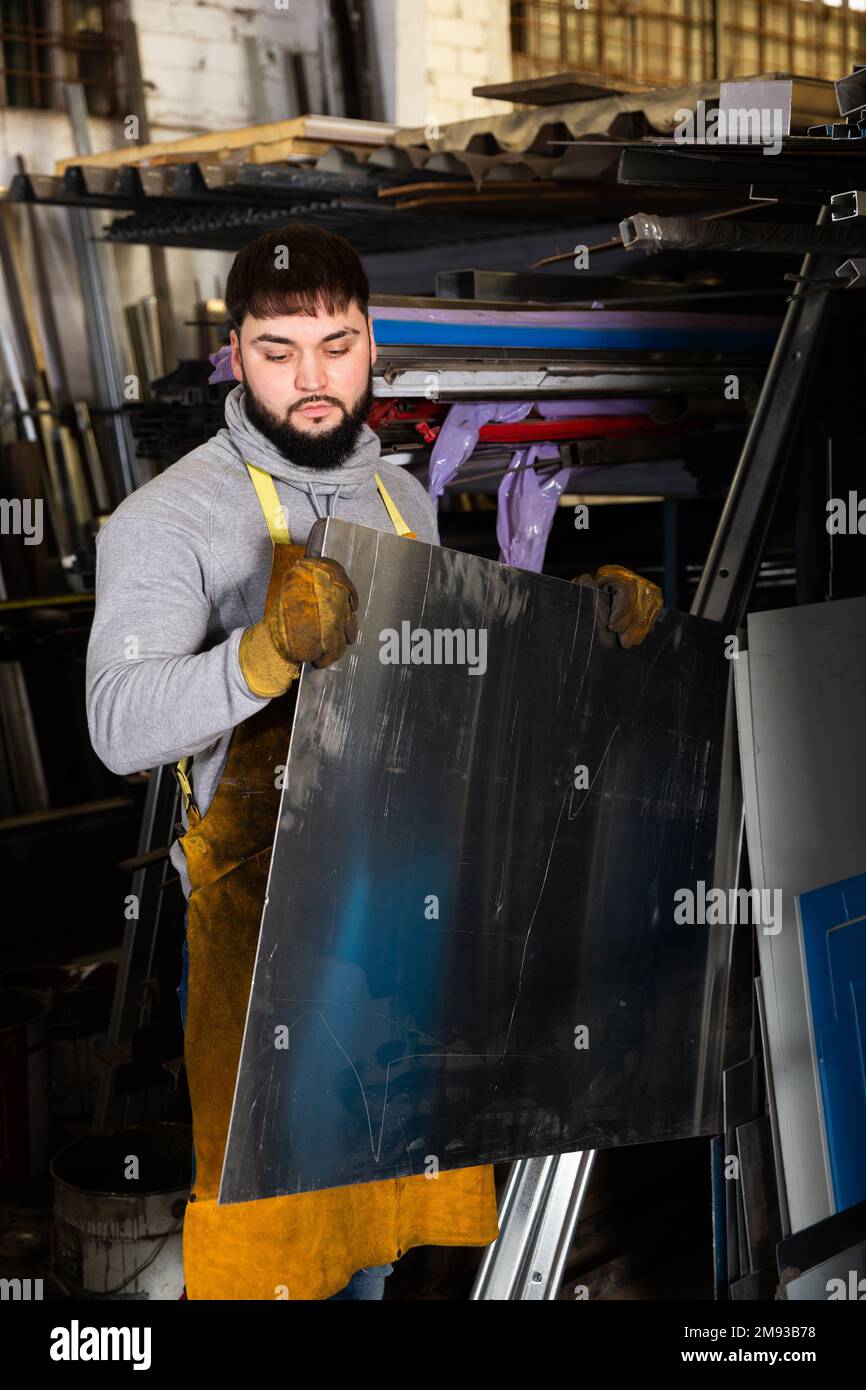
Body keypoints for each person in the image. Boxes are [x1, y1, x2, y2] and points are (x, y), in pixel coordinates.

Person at [86, 221, 662, 1301]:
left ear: (370, 342)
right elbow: (116, 723)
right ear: (235, 351)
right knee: (278, 1269)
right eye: (277, 349)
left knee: (372, 1256)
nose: (312, 379)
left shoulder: (399, 495)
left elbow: (440, 681)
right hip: (259, 952)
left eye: (336, 344)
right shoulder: (169, 519)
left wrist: (573, 628)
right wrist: (258, 655)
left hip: (393, 929)